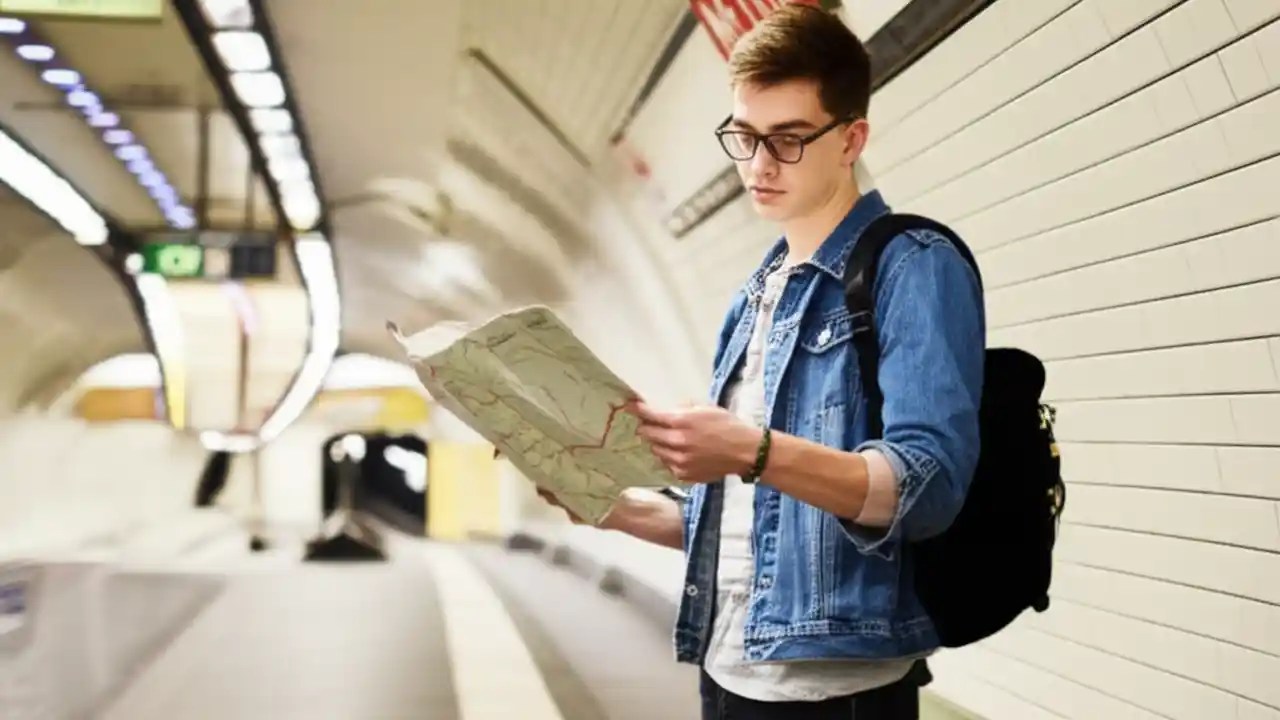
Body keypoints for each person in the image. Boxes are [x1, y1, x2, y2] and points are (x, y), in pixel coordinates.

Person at [539, 5, 984, 718]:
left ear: (851, 138)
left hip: (834, 691)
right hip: (728, 666)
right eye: (743, 137)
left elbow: (925, 487)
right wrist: (612, 509)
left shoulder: (913, 267)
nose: (759, 165)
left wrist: (751, 450)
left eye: (787, 139)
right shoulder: (756, 295)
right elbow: (752, 521)